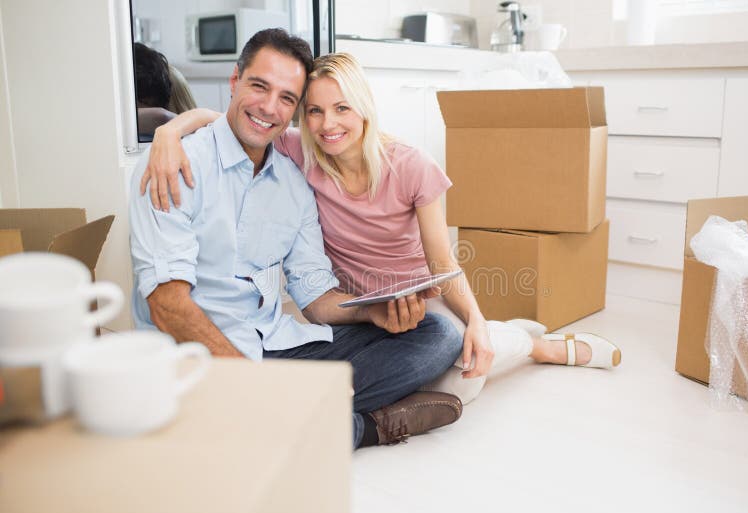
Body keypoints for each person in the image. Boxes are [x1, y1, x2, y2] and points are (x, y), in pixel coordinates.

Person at [141, 49, 622, 406]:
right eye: (314, 110)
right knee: (455, 383)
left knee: (458, 362)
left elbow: (442, 262)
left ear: (364, 107)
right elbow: (242, 120)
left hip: (416, 305)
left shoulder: (411, 166)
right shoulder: (302, 153)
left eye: (342, 108)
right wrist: (170, 130)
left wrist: (474, 318)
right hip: (358, 308)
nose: (329, 124)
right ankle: (367, 406)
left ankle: (534, 344)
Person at [128, 29, 466, 450]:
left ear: (295, 112)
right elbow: (168, 306)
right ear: (234, 82)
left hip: (272, 346)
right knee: (206, 424)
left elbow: (315, 298)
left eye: (287, 98)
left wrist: (371, 313)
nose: (270, 107)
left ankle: (284, 416)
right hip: (194, 358)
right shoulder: (173, 164)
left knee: (437, 334)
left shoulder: (293, 181)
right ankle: (363, 428)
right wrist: (254, 385)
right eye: (259, 86)